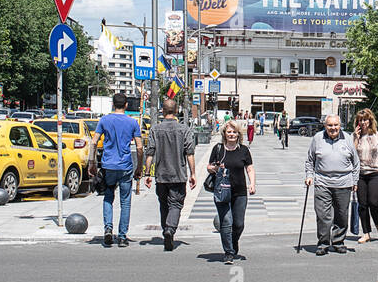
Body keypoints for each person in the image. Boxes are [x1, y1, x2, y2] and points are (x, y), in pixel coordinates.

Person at [89, 92, 143, 248]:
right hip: (125, 166)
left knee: (108, 197)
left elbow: (94, 142)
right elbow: (139, 147)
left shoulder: (104, 120)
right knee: (125, 201)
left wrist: (92, 163)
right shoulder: (132, 123)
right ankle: (122, 236)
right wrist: (139, 167)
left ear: (113, 104)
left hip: (108, 165)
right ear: (126, 105)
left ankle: (108, 229)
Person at [145, 97, 196, 251]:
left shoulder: (155, 129)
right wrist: (193, 173)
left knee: (163, 204)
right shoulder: (184, 129)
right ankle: (170, 229)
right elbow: (190, 153)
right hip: (178, 173)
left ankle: (166, 229)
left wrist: (147, 173)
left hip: (161, 175)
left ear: (162, 111)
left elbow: (150, 153)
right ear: (176, 111)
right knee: (176, 204)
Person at [305, 114, 360, 256]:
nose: (333, 128)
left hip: (344, 182)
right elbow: (310, 160)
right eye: (330, 125)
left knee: (341, 214)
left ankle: (338, 242)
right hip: (322, 181)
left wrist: (355, 181)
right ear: (325, 125)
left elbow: (356, 163)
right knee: (323, 214)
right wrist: (309, 176)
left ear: (340, 125)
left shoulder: (348, 138)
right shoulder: (317, 138)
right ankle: (323, 243)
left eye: (336, 125)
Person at [207, 119, 256, 263]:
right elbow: (209, 167)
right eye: (229, 132)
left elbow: (250, 168)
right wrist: (215, 167)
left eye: (234, 132)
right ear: (224, 133)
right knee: (226, 222)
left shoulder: (244, 150)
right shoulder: (218, 149)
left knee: (238, 224)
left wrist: (252, 184)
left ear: (238, 134)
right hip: (222, 191)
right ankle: (228, 252)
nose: (231, 134)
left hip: (240, 191)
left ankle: (233, 243)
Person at [352, 107, 378, 243]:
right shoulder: (355, 136)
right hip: (360, 174)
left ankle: (377, 223)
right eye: (360, 120)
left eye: (366, 120)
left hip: (375, 172)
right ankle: (366, 232)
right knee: (362, 204)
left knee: (373, 202)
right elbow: (352, 154)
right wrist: (356, 137)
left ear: (370, 121)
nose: (363, 122)